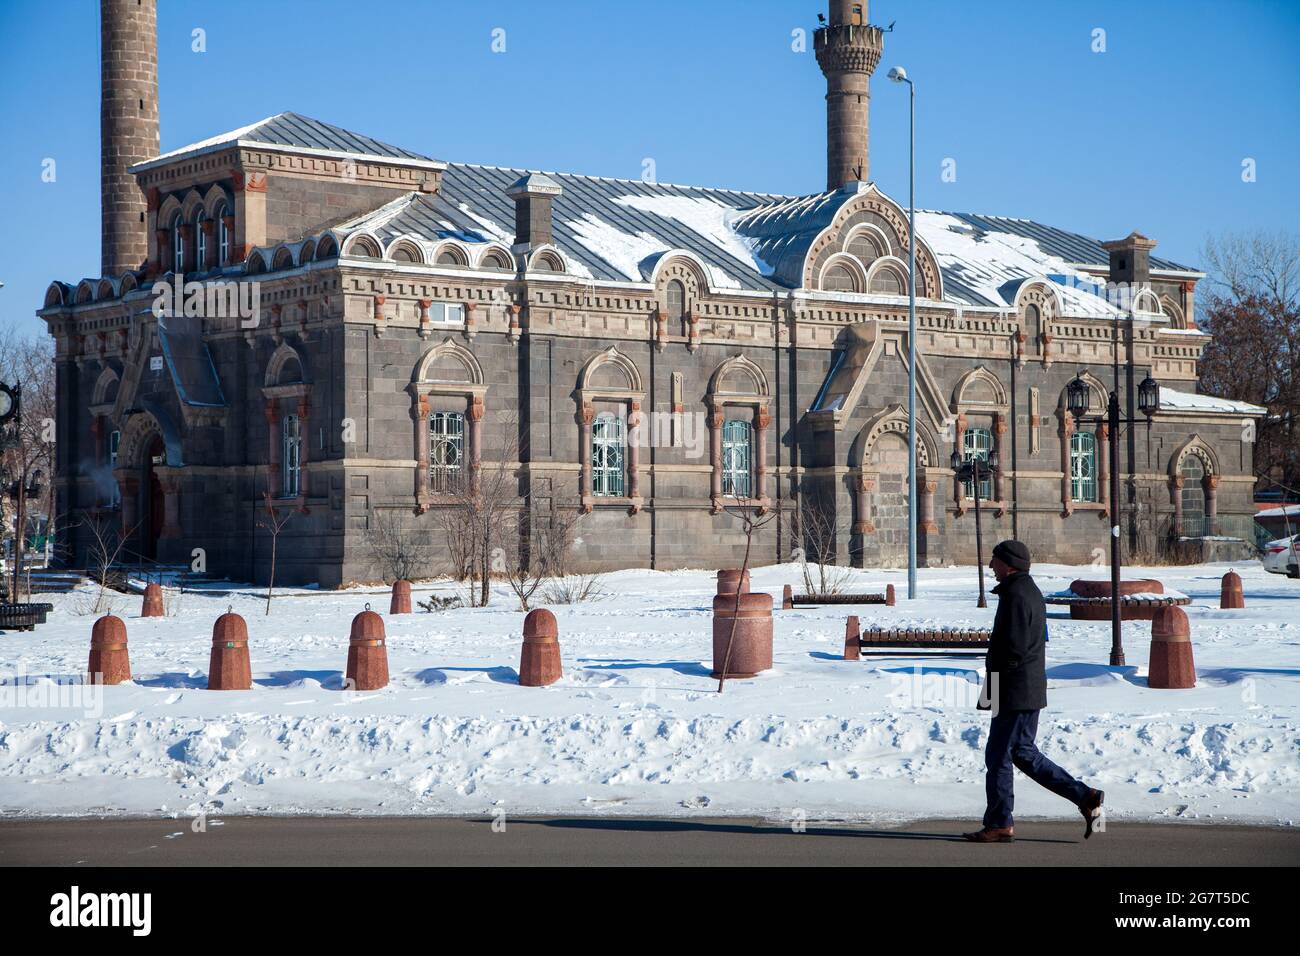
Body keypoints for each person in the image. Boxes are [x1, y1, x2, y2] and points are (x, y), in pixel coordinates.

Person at [964, 539, 1105, 843]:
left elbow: (1013, 648)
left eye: (995, 561)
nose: (991, 566)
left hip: (1013, 688)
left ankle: (1000, 822)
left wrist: (995, 685)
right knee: (1022, 753)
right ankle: (1086, 797)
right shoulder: (1027, 591)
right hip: (1023, 686)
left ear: (1009, 563)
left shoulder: (1016, 594)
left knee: (1000, 756)